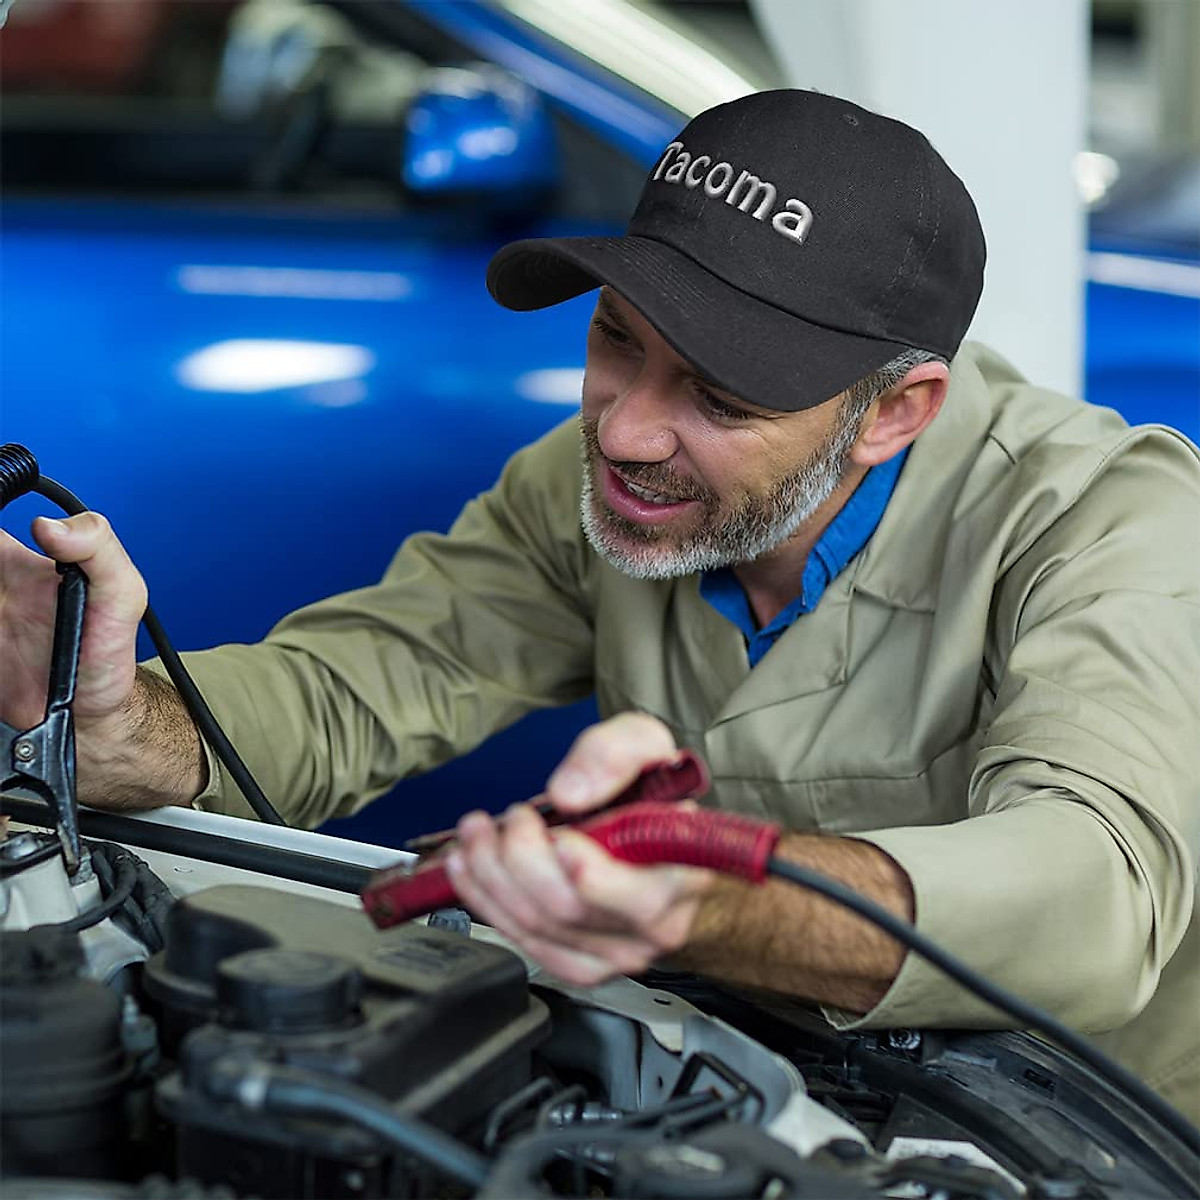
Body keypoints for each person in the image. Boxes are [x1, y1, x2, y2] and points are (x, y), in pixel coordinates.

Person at [2, 90, 1198, 1123]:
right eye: (616, 338)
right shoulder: (587, 490)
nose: (623, 430)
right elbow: (353, 689)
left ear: (892, 412)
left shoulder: (1107, 518)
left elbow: (1096, 892)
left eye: (718, 397)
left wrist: (701, 892)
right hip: (758, 1092)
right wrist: (120, 723)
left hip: (1086, 1135)